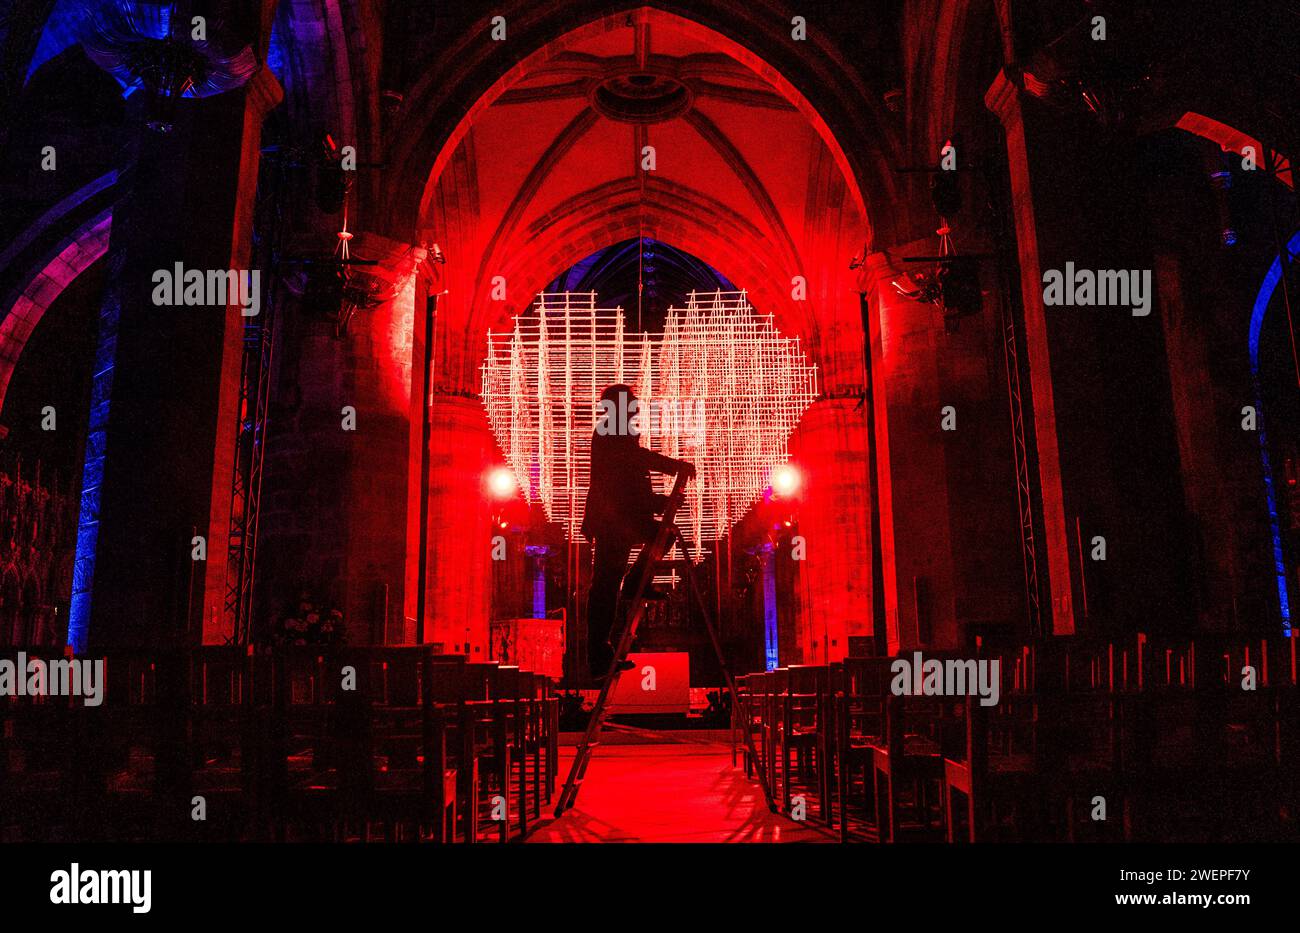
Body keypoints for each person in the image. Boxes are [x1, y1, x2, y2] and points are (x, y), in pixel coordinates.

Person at [582, 384, 694, 681]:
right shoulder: (610, 432)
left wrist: (660, 501)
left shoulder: (616, 434)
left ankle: (632, 585)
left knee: (609, 582)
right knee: (605, 585)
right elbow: (633, 464)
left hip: (620, 517)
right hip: (614, 519)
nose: (637, 407)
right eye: (631, 403)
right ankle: (598, 654)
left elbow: (630, 482)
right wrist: (674, 467)